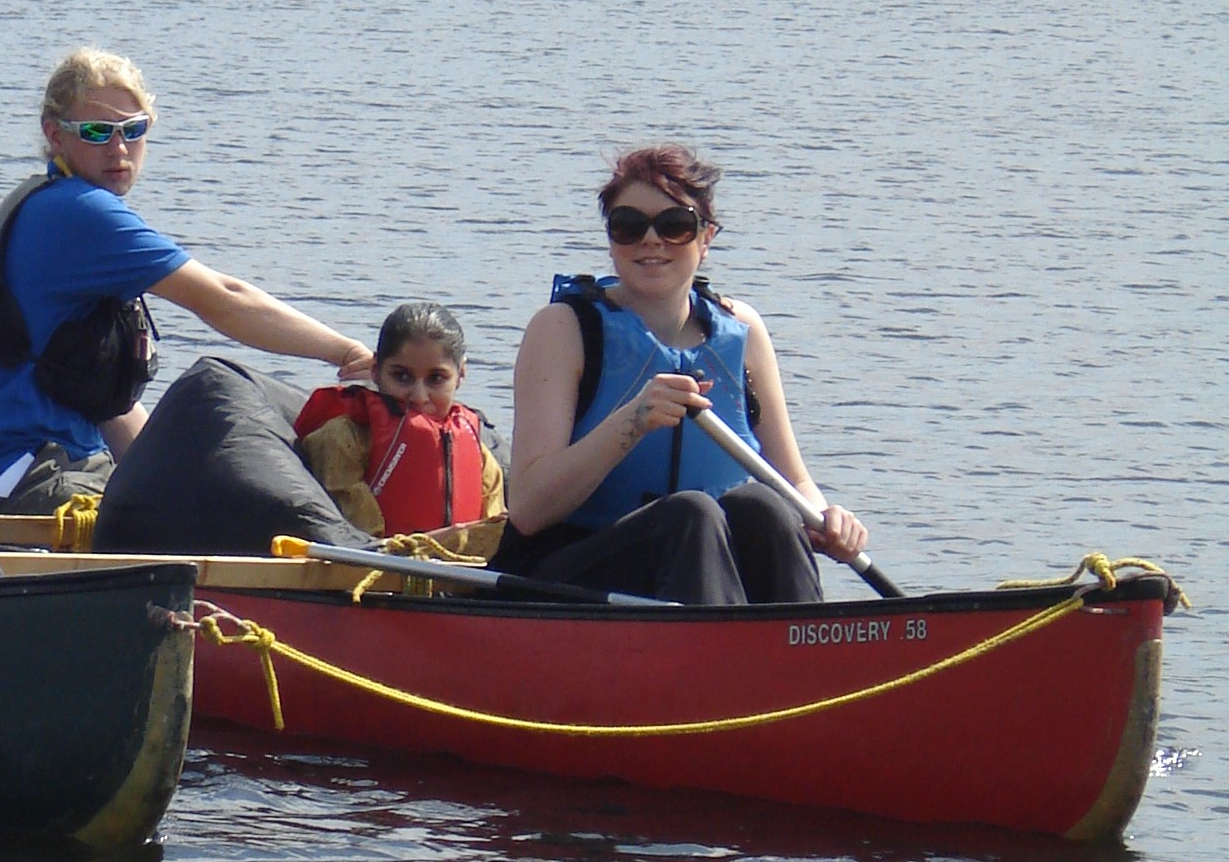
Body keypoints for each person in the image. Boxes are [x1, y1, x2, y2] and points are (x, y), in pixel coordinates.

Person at [0, 48, 374, 513]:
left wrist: (169, 487)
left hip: (38, 466)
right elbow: (223, 299)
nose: (119, 149)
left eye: (133, 130)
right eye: (97, 132)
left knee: (203, 502)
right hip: (13, 476)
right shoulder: (78, 213)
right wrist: (348, 353)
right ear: (55, 135)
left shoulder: (57, 206)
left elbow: (107, 401)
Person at [493, 145, 869, 605]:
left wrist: (830, 518)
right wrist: (634, 422)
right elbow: (529, 510)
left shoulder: (744, 331)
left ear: (705, 238)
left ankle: (809, 654)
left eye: (674, 226)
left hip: (700, 572)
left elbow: (793, 482)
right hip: (566, 578)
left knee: (764, 508)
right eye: (629, 226)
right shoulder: (562, 329)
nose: (651, 241)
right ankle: (718, 663)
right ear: (611, 240)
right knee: (690, 515)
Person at [295, 302, 505, 539]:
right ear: (375, 370)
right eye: (402, 377)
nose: (419, 396)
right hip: (373, 568)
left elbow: (493, 535)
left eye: (436, 379)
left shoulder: (481, 456)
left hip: (461, 569)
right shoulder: (341, 438)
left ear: (460, 375)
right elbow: (361, 540)